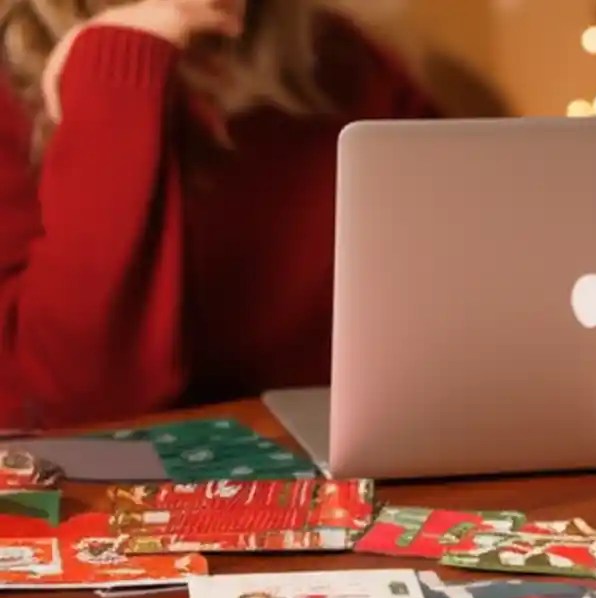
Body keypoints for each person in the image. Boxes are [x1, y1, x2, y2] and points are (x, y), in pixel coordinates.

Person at [0, 0, 436, 429]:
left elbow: (459, 313)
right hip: (117, 487)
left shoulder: (340, 55)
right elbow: (75, 404)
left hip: (354, 472)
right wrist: (117, 62)